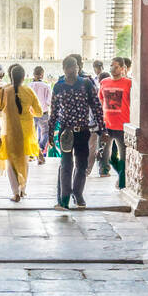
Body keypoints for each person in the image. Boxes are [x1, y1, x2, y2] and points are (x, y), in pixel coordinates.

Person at [50, 53, 106, 209]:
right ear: (64, 69)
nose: (71, 70)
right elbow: (53, 111)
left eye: (73, 66)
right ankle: (64, 199)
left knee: (81, 165)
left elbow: (96, 107)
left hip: (82, 130)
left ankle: (78, 193)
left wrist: (102, 129)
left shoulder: (86, 84)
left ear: (78, 67)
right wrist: (50, 133)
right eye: (68, 67)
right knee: (66, 164)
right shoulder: (59, 86)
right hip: (65, 132)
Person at [0, 64, 42, 202]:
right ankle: (23, 190)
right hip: (26, 133)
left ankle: (15, 192)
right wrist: (29, 112)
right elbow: (39, 112)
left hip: (9, 131)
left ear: (10, 76)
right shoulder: (29, 91)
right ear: (23, 77)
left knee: (10, 163)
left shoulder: (3, 91)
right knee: (24, 161)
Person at [97, 57, 133, 187]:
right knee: (107, 156)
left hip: (123, 125)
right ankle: (122, 175)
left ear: (123, 68)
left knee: (124, 157)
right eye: (111, 65)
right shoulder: (104, 82)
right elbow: (100, 101)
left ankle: (122, 182)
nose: (113, 68)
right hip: (107, 126)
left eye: (116, 66)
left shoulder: (128, 83)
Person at [29, 66, 52, 164]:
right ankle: (40, 148)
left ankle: (33, 151)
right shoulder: (46, 86)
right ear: (42, 75)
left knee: (32, 134)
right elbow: (49, 101)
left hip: (31, 113)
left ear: (34, 74)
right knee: (45, 132)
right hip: (43, 112)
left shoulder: (29, 86)